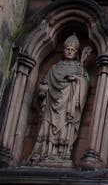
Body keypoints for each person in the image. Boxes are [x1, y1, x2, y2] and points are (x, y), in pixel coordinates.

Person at [28, 34, 90, 164]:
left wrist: (77, 79)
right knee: (47, 125)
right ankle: (43, 151)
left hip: (68, 104)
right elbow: (44, 84)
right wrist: (43, 90)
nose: (69, 51)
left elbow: (85, 83)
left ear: (76, 52)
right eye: (67, 49)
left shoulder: (79, 68)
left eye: (72, 50)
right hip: (52, 104)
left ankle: (61, 153)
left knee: (65, 126)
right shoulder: (54, 68)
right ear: (63, 50)